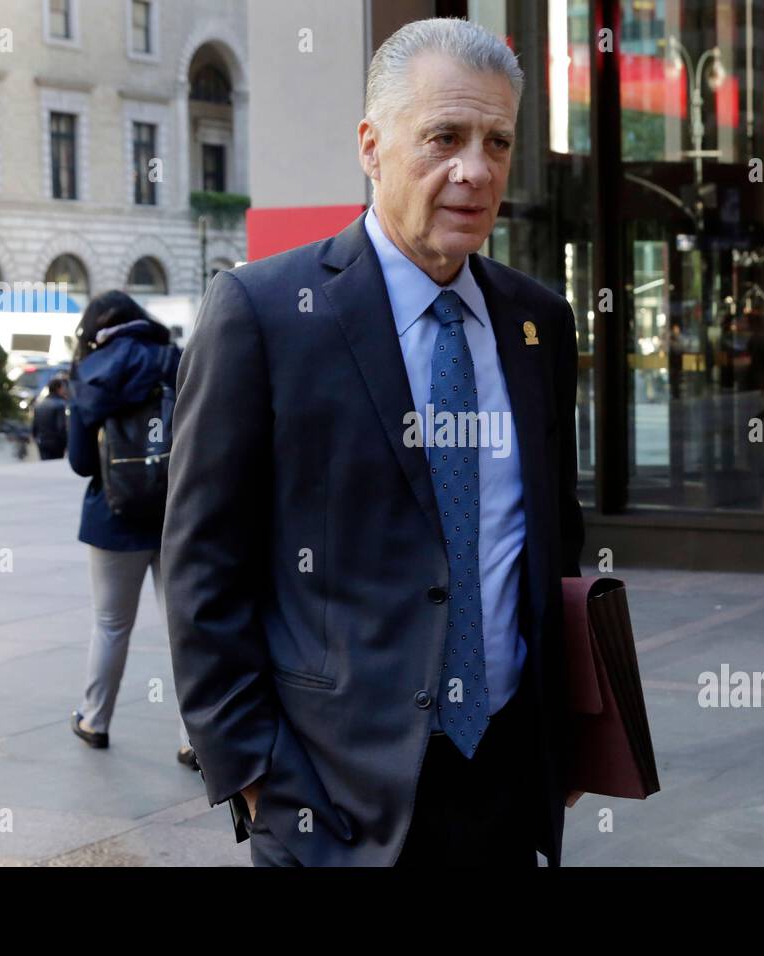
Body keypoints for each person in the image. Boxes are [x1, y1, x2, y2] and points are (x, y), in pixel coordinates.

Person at [163, 17, 586, 868]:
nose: (475, 170)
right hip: (330, 802)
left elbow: (553, 538)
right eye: (444, 137)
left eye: (497, 141)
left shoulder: (539, 322)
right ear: (371, 145)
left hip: (505, 785)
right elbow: (203, 568)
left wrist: (564, 731)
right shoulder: (265, 313)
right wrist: (256, 775)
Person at [64, 291, 195, 768]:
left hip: (112, 519)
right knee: (183, 629)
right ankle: (193, 740)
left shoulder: (91, 372)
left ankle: (94, 721)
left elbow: (81, 463)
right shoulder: (174, 360)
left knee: (110, 625)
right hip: (175, 515)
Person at [31, 376, 69, 460]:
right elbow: (61, 427)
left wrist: (36, 439)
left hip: (42, 442)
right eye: (63, 388)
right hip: (56, 444)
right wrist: (66, 443)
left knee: (45, 466)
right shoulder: (60, 404)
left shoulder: (39, 404)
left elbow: (34, 426)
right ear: (58, 389)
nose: (64, 390)